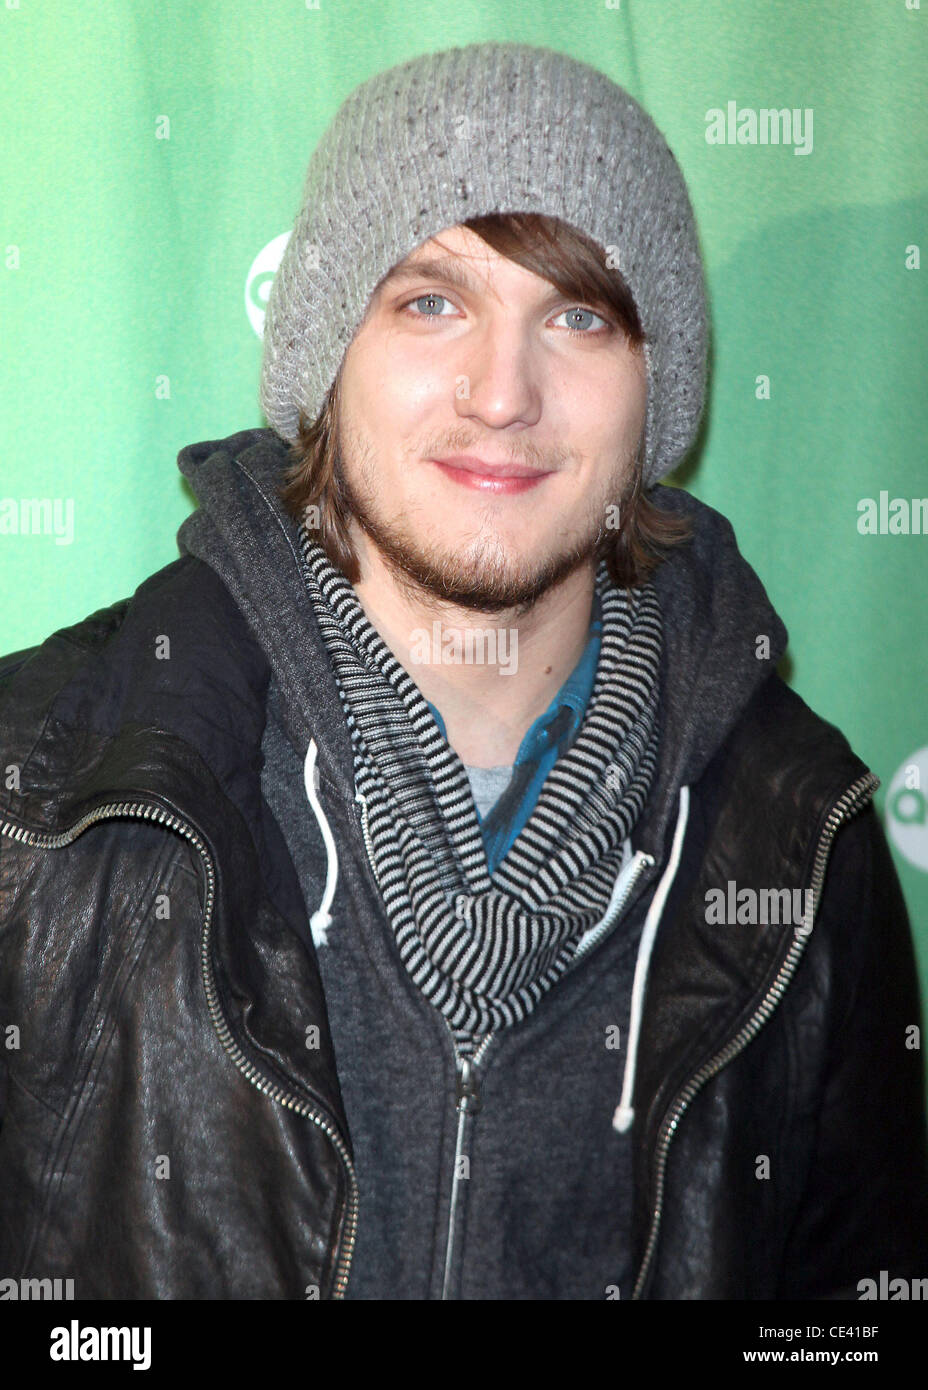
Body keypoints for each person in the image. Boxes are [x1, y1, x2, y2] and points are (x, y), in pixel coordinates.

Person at [0, 41, 925, 1302]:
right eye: (431, 301)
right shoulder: (40, 790)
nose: (503, 392)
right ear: (328, 358)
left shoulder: (803, 840)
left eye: (579, 315)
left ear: (658, 397)